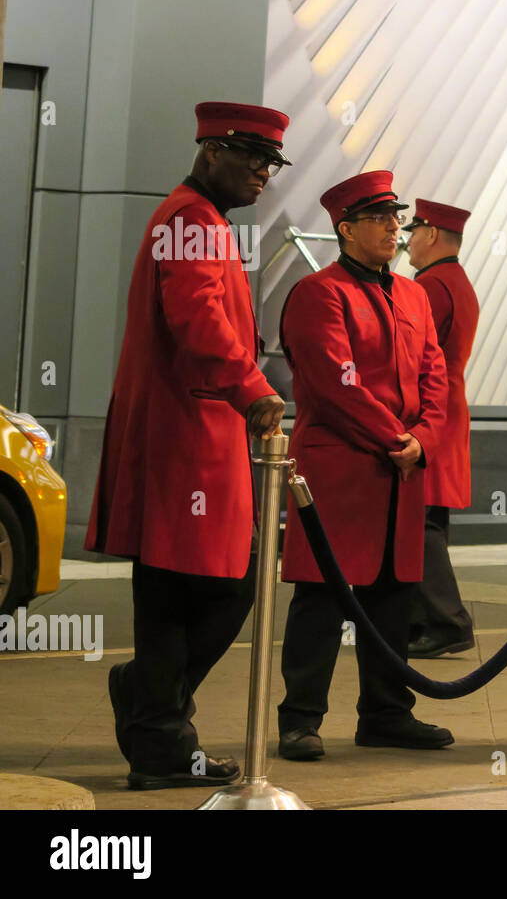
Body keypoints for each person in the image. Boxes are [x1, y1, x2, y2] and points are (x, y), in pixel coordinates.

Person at [89, 101, 292, 790]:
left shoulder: (201, 219)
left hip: (197, 435)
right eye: (252, 159)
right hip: (187, 437)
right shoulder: (189, 219)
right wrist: (252, 386)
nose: (264, 173)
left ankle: (154, 712)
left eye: (271, 163)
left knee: (202, 583)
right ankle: (157, 729)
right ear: (212, 151)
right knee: (200, 585)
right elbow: (197, 316)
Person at [276, 171, 453, 760]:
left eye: (395, 216)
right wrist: (396, 438)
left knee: (393, 594)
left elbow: (436, 374)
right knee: (321, 597)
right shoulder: (318, 294)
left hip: (400, 467)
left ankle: (385, 714)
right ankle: (299, 720)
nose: (393, 226)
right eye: (378, 218)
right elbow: (334, 384)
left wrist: (424, 437)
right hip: (341, 468)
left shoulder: (413, 295)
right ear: (345, 229)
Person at [404, 199, 478, 658]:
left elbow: (407, 354)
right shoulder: (456, 281)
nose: (405, 240)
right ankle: (420, 620)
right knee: (429, 519)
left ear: (430, 234)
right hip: (447, 412)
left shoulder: (429, 286)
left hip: (427, 415)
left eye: (412, 231)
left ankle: (448, 622)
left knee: (421, 520)